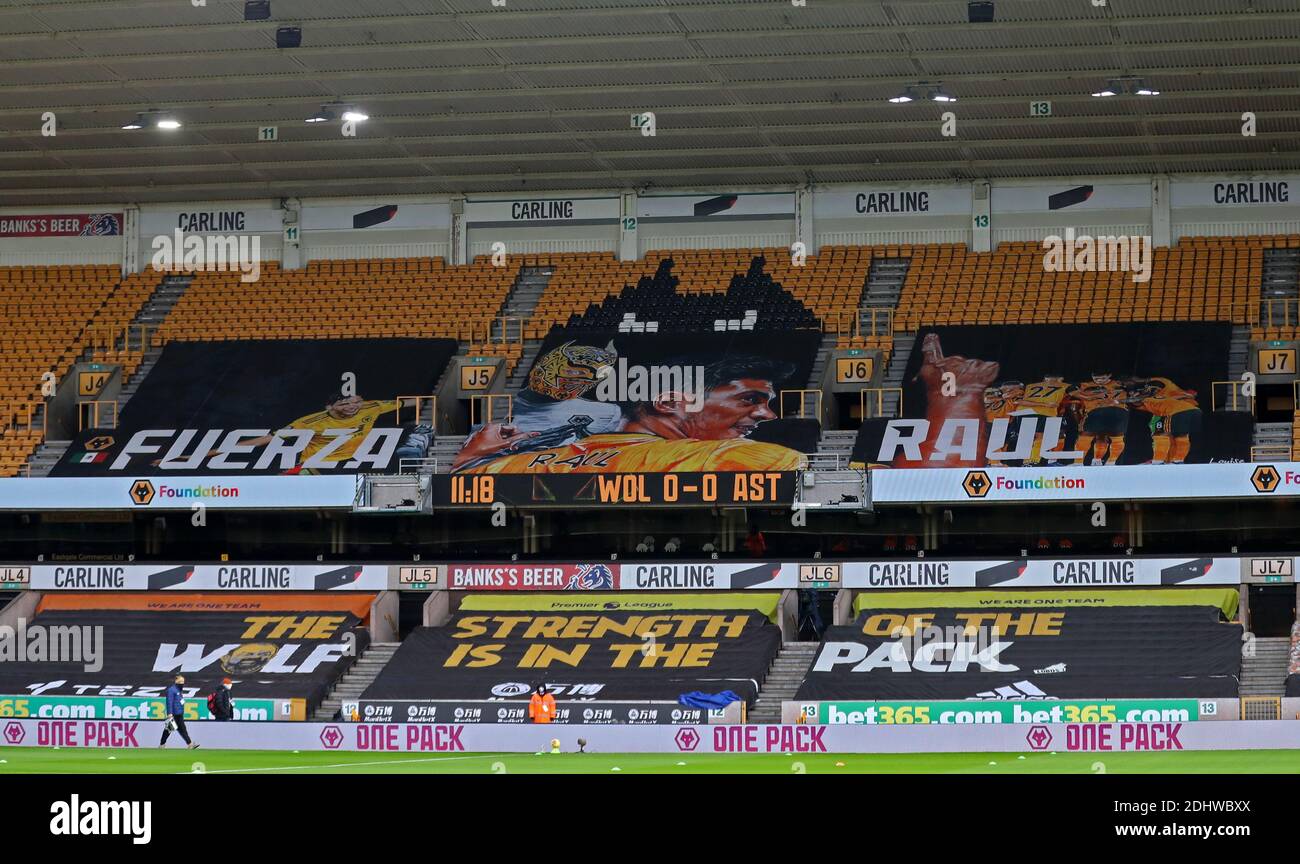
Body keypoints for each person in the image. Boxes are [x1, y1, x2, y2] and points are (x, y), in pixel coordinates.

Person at [454, 356, 807, 473]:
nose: (768, 415)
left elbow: (464, 479)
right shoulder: (725, 455)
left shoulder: (537, 461)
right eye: (750, 400)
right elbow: (789, 464)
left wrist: (471, 457)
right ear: (669, 403)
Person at [160, 674, 199, 749]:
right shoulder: (171, 690)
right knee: (169, 729)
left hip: (179, 714)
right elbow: (169, 702)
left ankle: (190, 744)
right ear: (176, 681)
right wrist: (169, 713)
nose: (182, 683)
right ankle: (162, 744)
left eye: (183, 681)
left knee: (182, 729)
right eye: (180, 681)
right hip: (173, 714)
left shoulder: (179, 690)